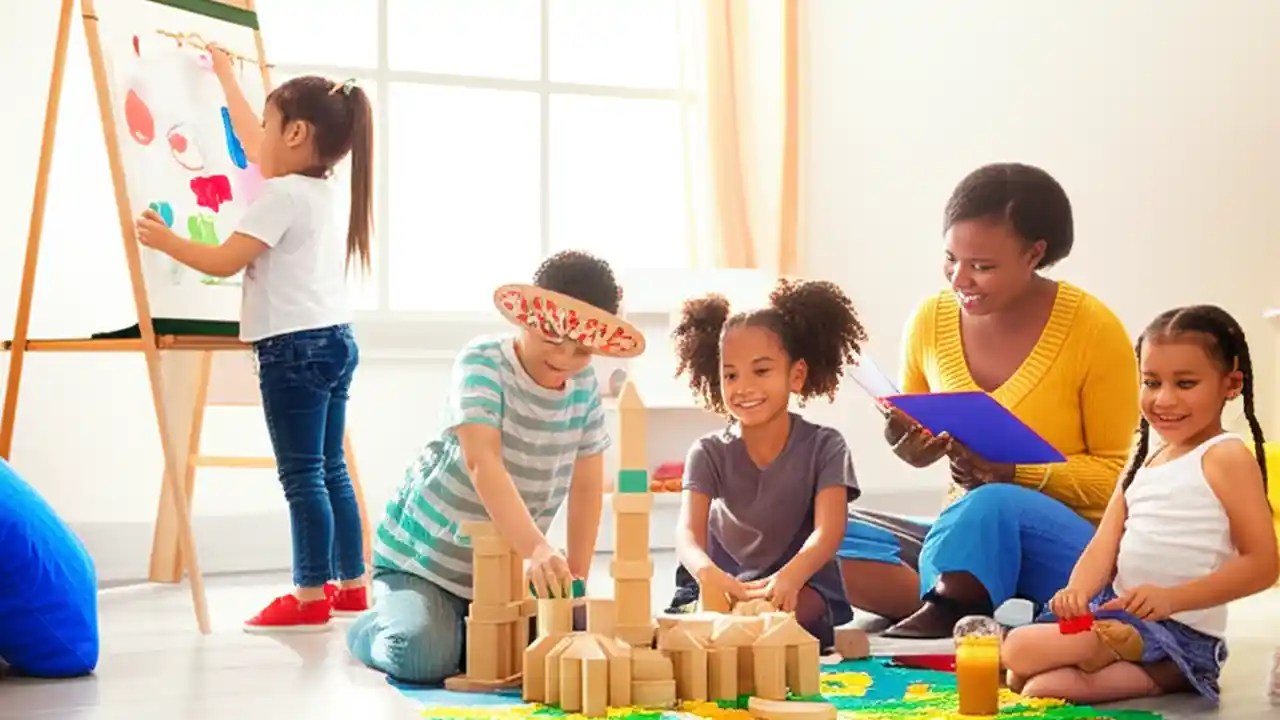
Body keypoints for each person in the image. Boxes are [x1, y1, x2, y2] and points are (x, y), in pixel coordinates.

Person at [837, 163, 1141, 638]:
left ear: (1034, 254)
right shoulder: (929, 320)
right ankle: (969, 600)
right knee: (822, 526)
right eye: (951, 259)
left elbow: (1120, 479)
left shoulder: (1094, 330)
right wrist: (906, 444)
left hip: (1075, 550)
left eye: (982, 267)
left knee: (995, 502)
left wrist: (1014, 474)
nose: (960, 279)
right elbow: (917, 435)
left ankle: (954, 602)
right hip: (969, 535)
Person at [134, 48, 374, 633]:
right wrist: (224, 77)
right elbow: (254, 141)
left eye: (269, 126)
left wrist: (164, 240)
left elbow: (223, 259)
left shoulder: (280, 197)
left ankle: (309, 593)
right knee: (331, 470)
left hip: (293, 351)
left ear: (295, 133)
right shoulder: (319, 189)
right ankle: (350, 587)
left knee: (302, 477)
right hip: (336, 340)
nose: (255, 138)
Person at [346, 250, 642, 684]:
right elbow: (481, 460)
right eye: (552, 339)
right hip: (425, 563)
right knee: (421, 656)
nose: (564, 358)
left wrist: (575, 577)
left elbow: (586, 486)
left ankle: (460, 637)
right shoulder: (483, 361)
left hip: (503, 576)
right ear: (525, 317)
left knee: (563, 642)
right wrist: (538, 549)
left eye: (581, 350)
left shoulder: (583, 390)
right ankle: (370, 627)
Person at [1002, 305, 1279, 705]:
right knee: (1033, 684)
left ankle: (1167, 662)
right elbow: (1104, 544)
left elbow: (1263, 564)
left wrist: (1172, 599)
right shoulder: (1143, 459)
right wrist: (1076, 591)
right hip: (1119, 616)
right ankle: (1157, 674)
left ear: (1231, 384)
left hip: (1181, 629)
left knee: (1018, 650)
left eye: (1185, 384)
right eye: (1151, 382)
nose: (1163, 399)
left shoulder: (1225, 456)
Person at [667, 278, 864, 649]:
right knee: (699, 633)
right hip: (721, 581)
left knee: (778, 626)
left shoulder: (825, 445)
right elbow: (687, 534)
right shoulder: (707, 451)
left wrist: (790, 577)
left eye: (761, 371)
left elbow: (829, 530)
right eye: (730, 374)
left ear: (796, 375)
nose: (743, 387)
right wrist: (708, 574)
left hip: (797, 580)